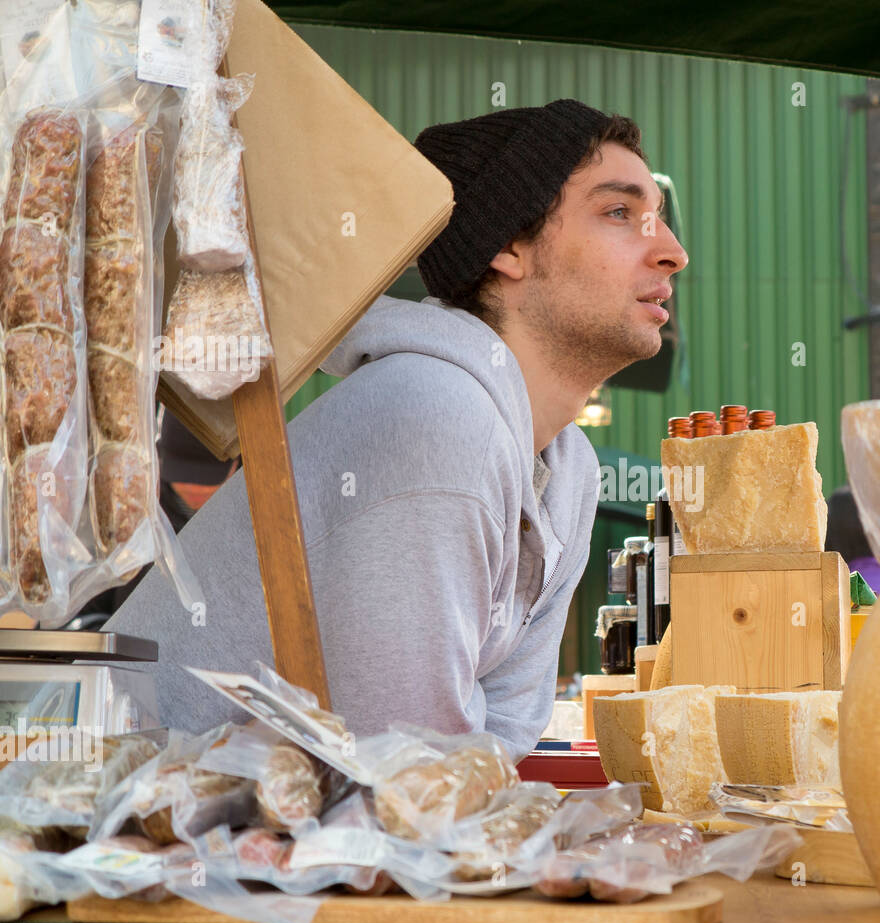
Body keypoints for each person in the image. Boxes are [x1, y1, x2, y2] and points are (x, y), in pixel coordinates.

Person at [108, 99, 688, 760]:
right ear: (508, 247)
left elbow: (492, 747)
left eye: (658, 221)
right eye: (620, 213)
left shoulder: (570, 470)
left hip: (267, 840)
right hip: (96, 831)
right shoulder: (435, 413)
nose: (673, 253)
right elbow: (407, 769)